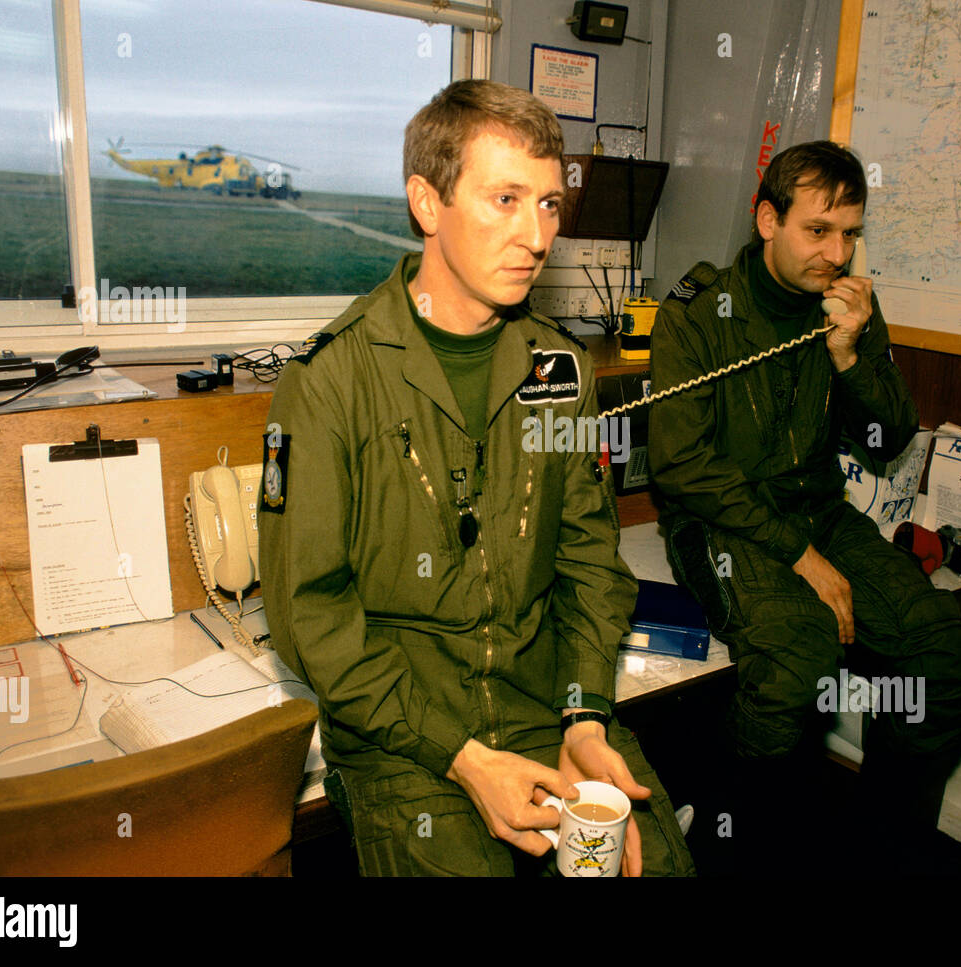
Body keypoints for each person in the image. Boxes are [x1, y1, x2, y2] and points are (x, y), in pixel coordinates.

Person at [258, 79, 693, 877]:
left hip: (542, 709)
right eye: (505, 199)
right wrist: (461, 757)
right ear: (428, 202)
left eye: (552, 204)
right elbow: (309, 615)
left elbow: (591, 562)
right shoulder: (327, 381)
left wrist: (587, 714)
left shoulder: (560, 367)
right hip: (403, 735)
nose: (536, 235)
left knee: (654, 866)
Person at [647, 141, 961, 865]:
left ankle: (876, 844)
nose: (838, 253)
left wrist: (850, 354)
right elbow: (681, 465)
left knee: (947, 667)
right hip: (723, 518)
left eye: (851, 234)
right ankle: (729, 836)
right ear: (767, 219)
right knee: (796, 665)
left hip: (819, 511)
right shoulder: (698, 311)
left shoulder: (848, 309)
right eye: (819, 230)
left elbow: (889, 435)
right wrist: (800, 557)